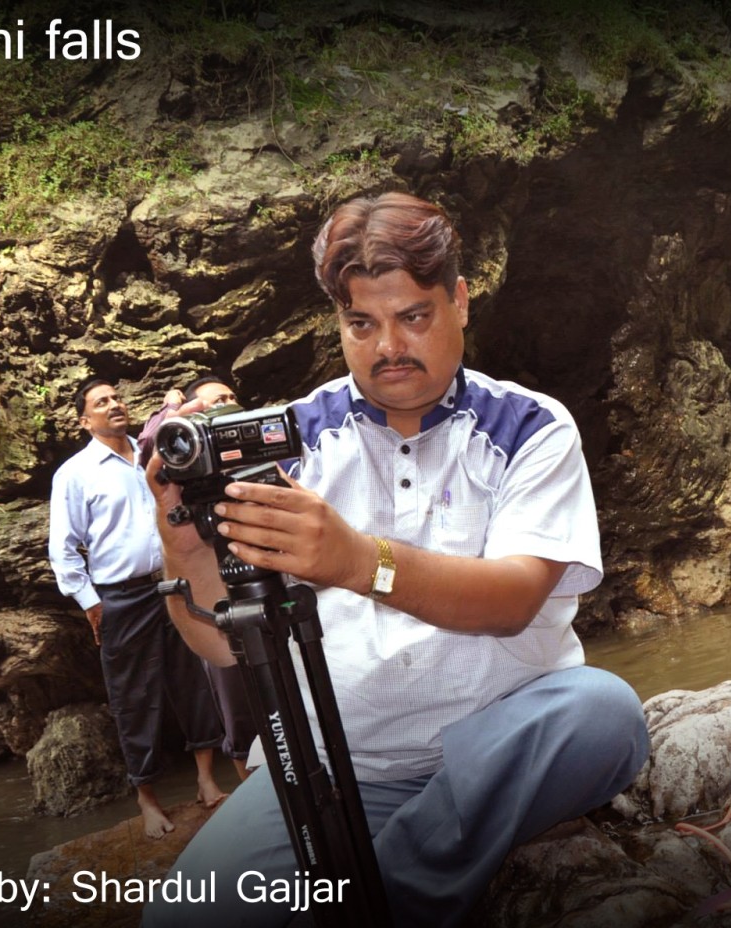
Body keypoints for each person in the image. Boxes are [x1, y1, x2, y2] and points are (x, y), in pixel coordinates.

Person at [141, 192, 649, 927]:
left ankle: (378, 897)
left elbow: (512, 601)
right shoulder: (289, 445)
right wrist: (184, 548)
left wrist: (356, 560)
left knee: (604, 715)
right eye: (362, 324)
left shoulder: (531, 427)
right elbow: (224, 645)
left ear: (460, 302)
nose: (389, 347)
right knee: (178, 921)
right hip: (335, 763)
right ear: (338, 324)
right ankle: (401, 867)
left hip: (500, 741)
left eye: (413, 316)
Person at [48, 377, 230, 838]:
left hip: (175, 582)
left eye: (116, 397)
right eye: (101, 402)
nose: (114, 404)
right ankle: (147, 799)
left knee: (195, 679)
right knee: (134, 696)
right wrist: (91, 602)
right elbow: (62, 549)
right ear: (84, 421)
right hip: (122, 596)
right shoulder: (75, 473)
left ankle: (206, 780)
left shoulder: (157, 451)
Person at [135, 373, 258, 779]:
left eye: (231, 397)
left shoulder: (265, 463)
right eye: (213, 403)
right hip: (217, 600)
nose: (226, 403)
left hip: (277, 592)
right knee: (238, 707)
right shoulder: (183, 484)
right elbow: (151, 448)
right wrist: (173, 411)